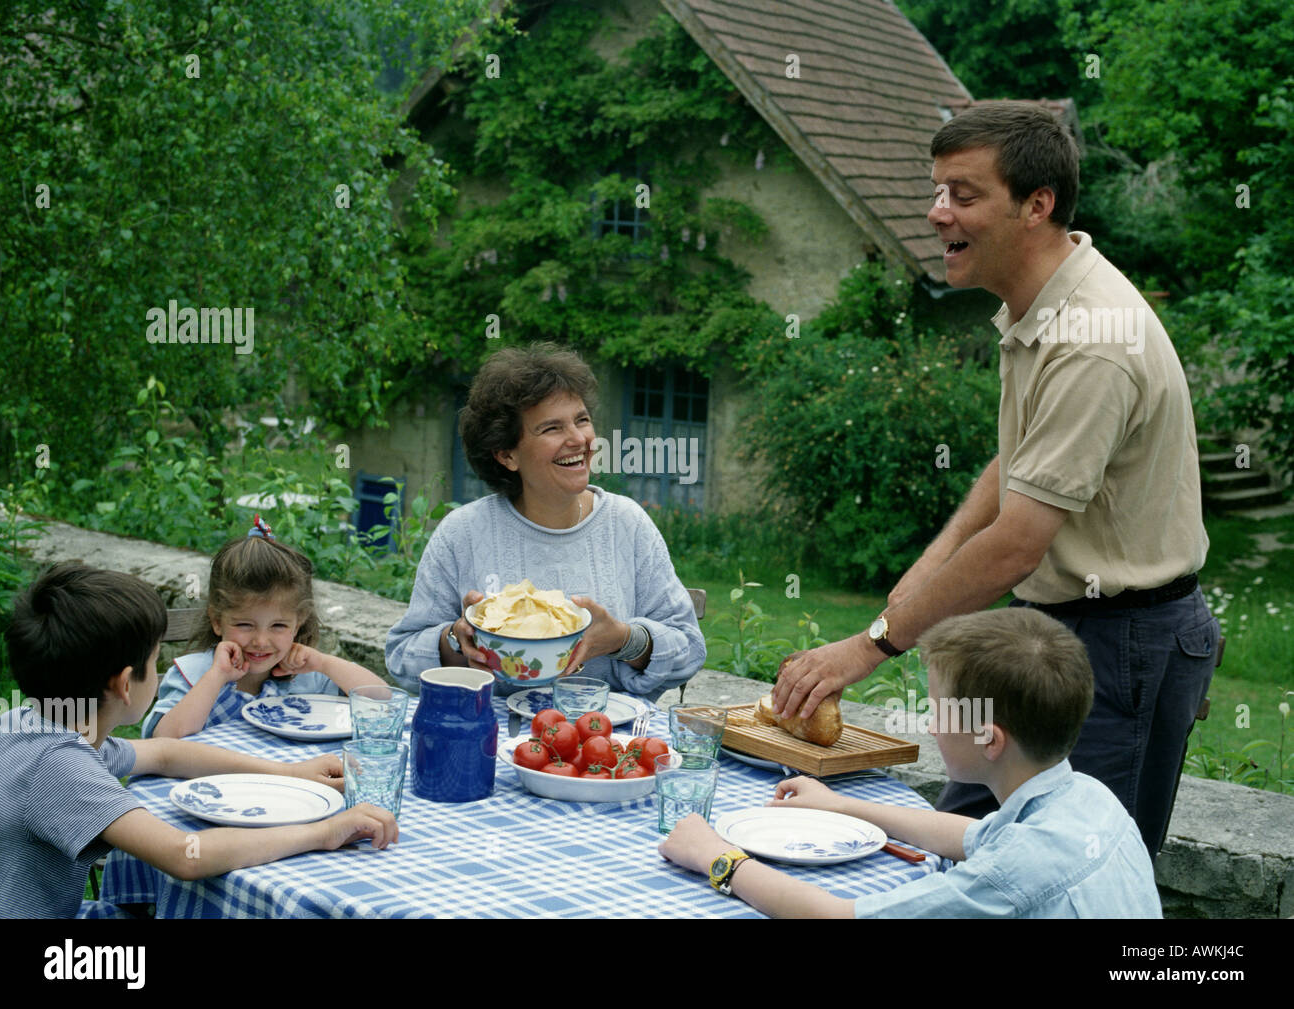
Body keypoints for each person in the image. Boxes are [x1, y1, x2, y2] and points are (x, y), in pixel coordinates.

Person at [771, 102, 1217, 856]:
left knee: (1072, 873)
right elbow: (1015, 468)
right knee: (962, 851)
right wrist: (923, 576)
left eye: (963, 194)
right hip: (1045, 628)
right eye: (938, 189)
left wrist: (872, 643)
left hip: (1124, 642)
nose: (936, 210)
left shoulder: (1090, 339)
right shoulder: (1039, 307)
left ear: (1036, 205)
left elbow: (1017, 541)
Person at [661, 608, 1161, 918]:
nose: (929, 722)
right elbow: (967, 835)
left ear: (989, 737)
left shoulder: (1009, 876)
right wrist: (841, 804)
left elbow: (838, 917)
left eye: (940, 710)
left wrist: (716, 857)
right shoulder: (1093, 802)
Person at [0, 564, 397, 919]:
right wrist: (324, 832)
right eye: (156, 661)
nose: (161, 670)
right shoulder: (59, 768)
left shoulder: (34, 723)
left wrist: (290, 773)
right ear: (124, 684)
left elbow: (167, 754)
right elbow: (185, 855)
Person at [386, 343, 705, 699]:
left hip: (605, 741)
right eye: (552, 428)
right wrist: (456, 641)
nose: (579, 439)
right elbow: (401, 658)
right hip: (492, 737)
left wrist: (624, 640)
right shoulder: (462, 533)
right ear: (507, 454)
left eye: (582, 420)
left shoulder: (626, 524)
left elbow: (689, 648)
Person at [142, 515, 385, 739]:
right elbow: (163, 739)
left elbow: (382, 700)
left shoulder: (306, 678)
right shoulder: (194, 675)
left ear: (298, 623)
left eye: (278, 625)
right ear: (217, 620)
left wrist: (325, 663)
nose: (260, 640)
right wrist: (216, 677)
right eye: (245, 624)